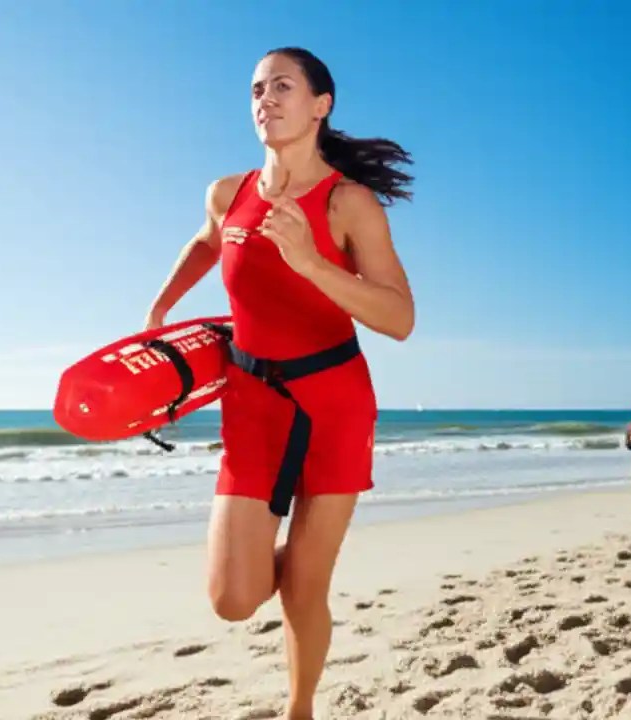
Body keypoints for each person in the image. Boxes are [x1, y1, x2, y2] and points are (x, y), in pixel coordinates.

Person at [143, 47, 415, 720]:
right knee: (233, 598)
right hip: (253, 404)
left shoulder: (349, 204)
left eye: (282, 87)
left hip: (334, 403)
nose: (265, 99)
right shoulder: (227, 193)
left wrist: (310, 263)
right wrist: (161, 308)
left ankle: (300, 709)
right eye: (257, 89)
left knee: (304, 591)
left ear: (320, 105)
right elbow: (210, 241)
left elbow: (400, 318)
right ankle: (300, 560)